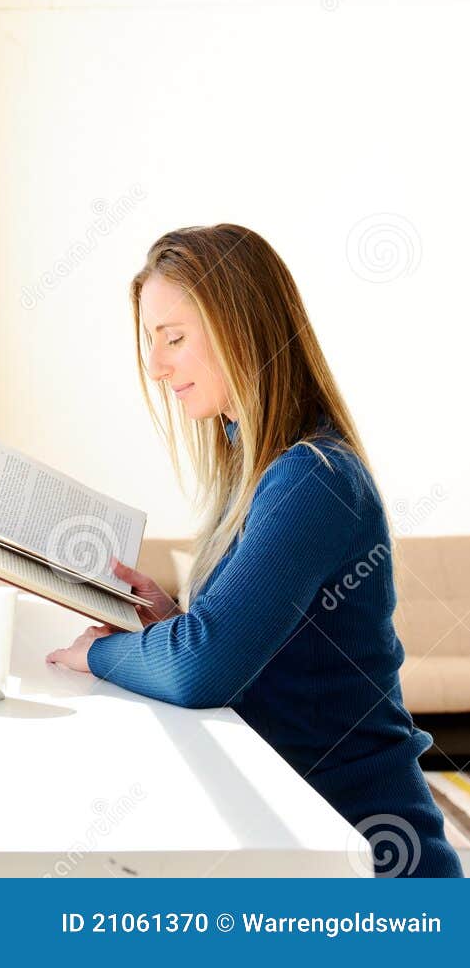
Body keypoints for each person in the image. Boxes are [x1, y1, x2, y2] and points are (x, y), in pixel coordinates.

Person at [46, 224, 463, 879]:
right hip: (299, 839)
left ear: (242, 331)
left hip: (371, 866)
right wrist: (171, 618)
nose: (156, 367)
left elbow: (201, 669)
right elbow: (251, 652)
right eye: (151, 342)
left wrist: (95, 652)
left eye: (173, 338)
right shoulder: (255, 470)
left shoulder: (311, 478)